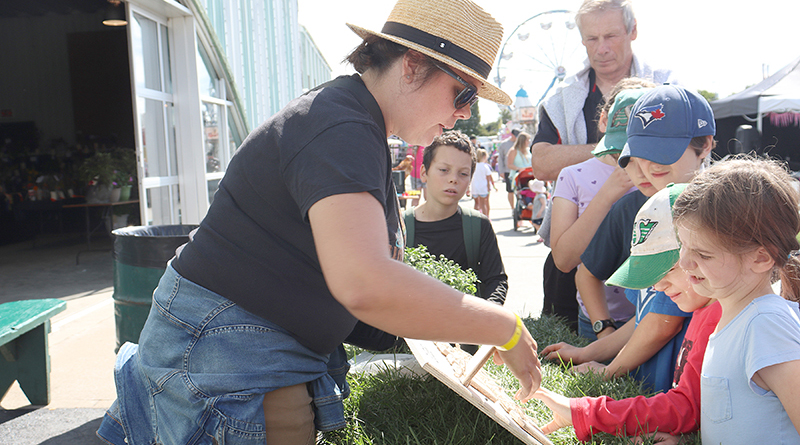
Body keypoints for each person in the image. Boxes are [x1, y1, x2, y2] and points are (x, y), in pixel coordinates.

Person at [96, 1, 542, 443]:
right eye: (463, 93)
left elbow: (348, 288)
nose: (466, 112)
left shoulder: (351, 119)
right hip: (229, 362)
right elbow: (365, 284)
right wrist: (503, 327)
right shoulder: (342, 127)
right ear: (413, 65)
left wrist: (435, 329)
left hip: (239, 353)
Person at [545, 85, 715, 393]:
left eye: (662, 152)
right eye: (636, 156)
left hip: (679, 389)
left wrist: (609, 371)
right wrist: (588, 353)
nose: (648, 168)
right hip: (652, 384)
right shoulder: (650, 205)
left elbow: (663, 322)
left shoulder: (698, 213)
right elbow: (647, 315)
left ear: (705, 146)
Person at [533, 183, 722, 442]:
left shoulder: (723, 320)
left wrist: (588, 413)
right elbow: (695, 408)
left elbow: (687, 406)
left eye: (666, 271)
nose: (656, 286)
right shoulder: (704, 308)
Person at [532, 0, 677, 331]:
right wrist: (618, 150)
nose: (601, 48)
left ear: (633, 30)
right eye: (591, 39)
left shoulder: (669, 86)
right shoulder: (563, 98)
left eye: (610, 36)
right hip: (574, 250)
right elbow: (540, 161)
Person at [673, 157, 800, 443]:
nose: (684, 262)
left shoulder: (765, 325)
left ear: (760, 258)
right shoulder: (737, 317)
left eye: (703, 254)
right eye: (683, 245)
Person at [549, 80, 652, 341]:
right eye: (622, 152)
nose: (630, 159)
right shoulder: (572, 176)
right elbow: (563, 260)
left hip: (654, 316)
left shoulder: (660, 173)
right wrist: (607, 194)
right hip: (594, 320)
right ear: (604, 120)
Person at [405, 130, 508, 343]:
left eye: (463, 174)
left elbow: (496, 280)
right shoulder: (400, 226)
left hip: (465, 340)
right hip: (409, 340)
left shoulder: (478, 226)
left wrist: (488, 319)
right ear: (424, 172)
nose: (453, 179)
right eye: (443, 170)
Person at [496, 128, 519, 208]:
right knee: (510, 191)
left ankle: (518, 207)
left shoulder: (520, 143)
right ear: (512, 135)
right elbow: (500, 158)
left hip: (519, 170)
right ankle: (512, 208)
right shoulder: (504, 144)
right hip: (508, 170)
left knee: (519, 190)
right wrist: (501, 171)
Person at [471, 148, 496, 217]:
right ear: (484, 157)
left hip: (474, 187)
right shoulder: (485, 166)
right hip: (483, 187)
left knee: (476, 204)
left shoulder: (473, 166)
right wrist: (490, 187)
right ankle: (485, 218)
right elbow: (488, 178)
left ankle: (474, 218)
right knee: (483, 204)